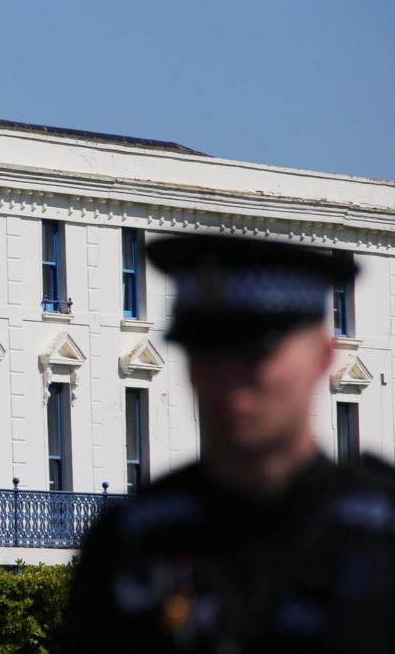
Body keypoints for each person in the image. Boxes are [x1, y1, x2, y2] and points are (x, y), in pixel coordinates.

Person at [61, 233, 395, 653]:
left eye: (256, 353)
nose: (228, 382)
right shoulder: (131, 545)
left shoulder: (380, 536)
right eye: (208, 353)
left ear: (323, 356)